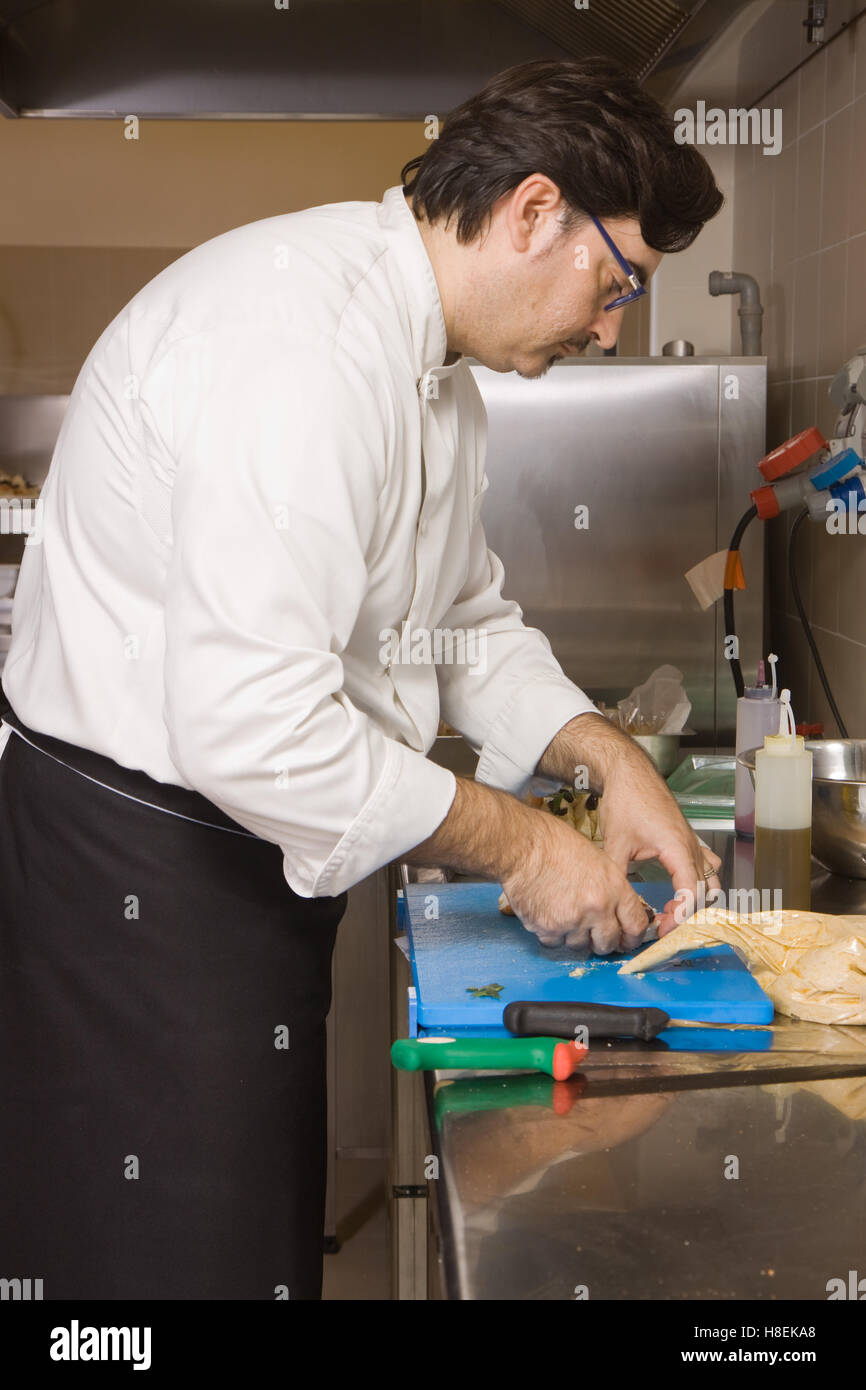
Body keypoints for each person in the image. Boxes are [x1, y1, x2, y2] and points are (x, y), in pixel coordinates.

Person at [0, 57, 723, 1300]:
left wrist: (602, 756)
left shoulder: (434, 378)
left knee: (241, 1244)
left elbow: (461, 624)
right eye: (616, 284)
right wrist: (519, 845)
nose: (609, 326)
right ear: (533, 210)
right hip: (134, 878)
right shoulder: (301, 353)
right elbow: (253, 725)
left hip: (232, 862)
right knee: (156, 1271)